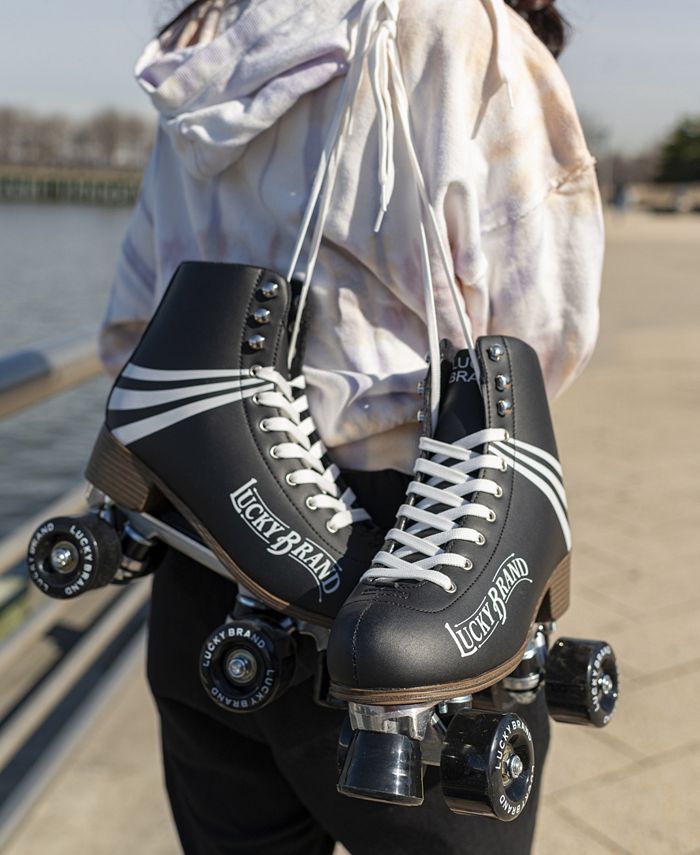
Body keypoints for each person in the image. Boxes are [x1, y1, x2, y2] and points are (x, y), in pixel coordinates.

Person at [98, 0, 603, 852]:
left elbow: (138, 329)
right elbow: (539, 336)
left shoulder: (204, 45)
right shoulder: (462, 34)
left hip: (202, 531)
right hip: (422, 565)